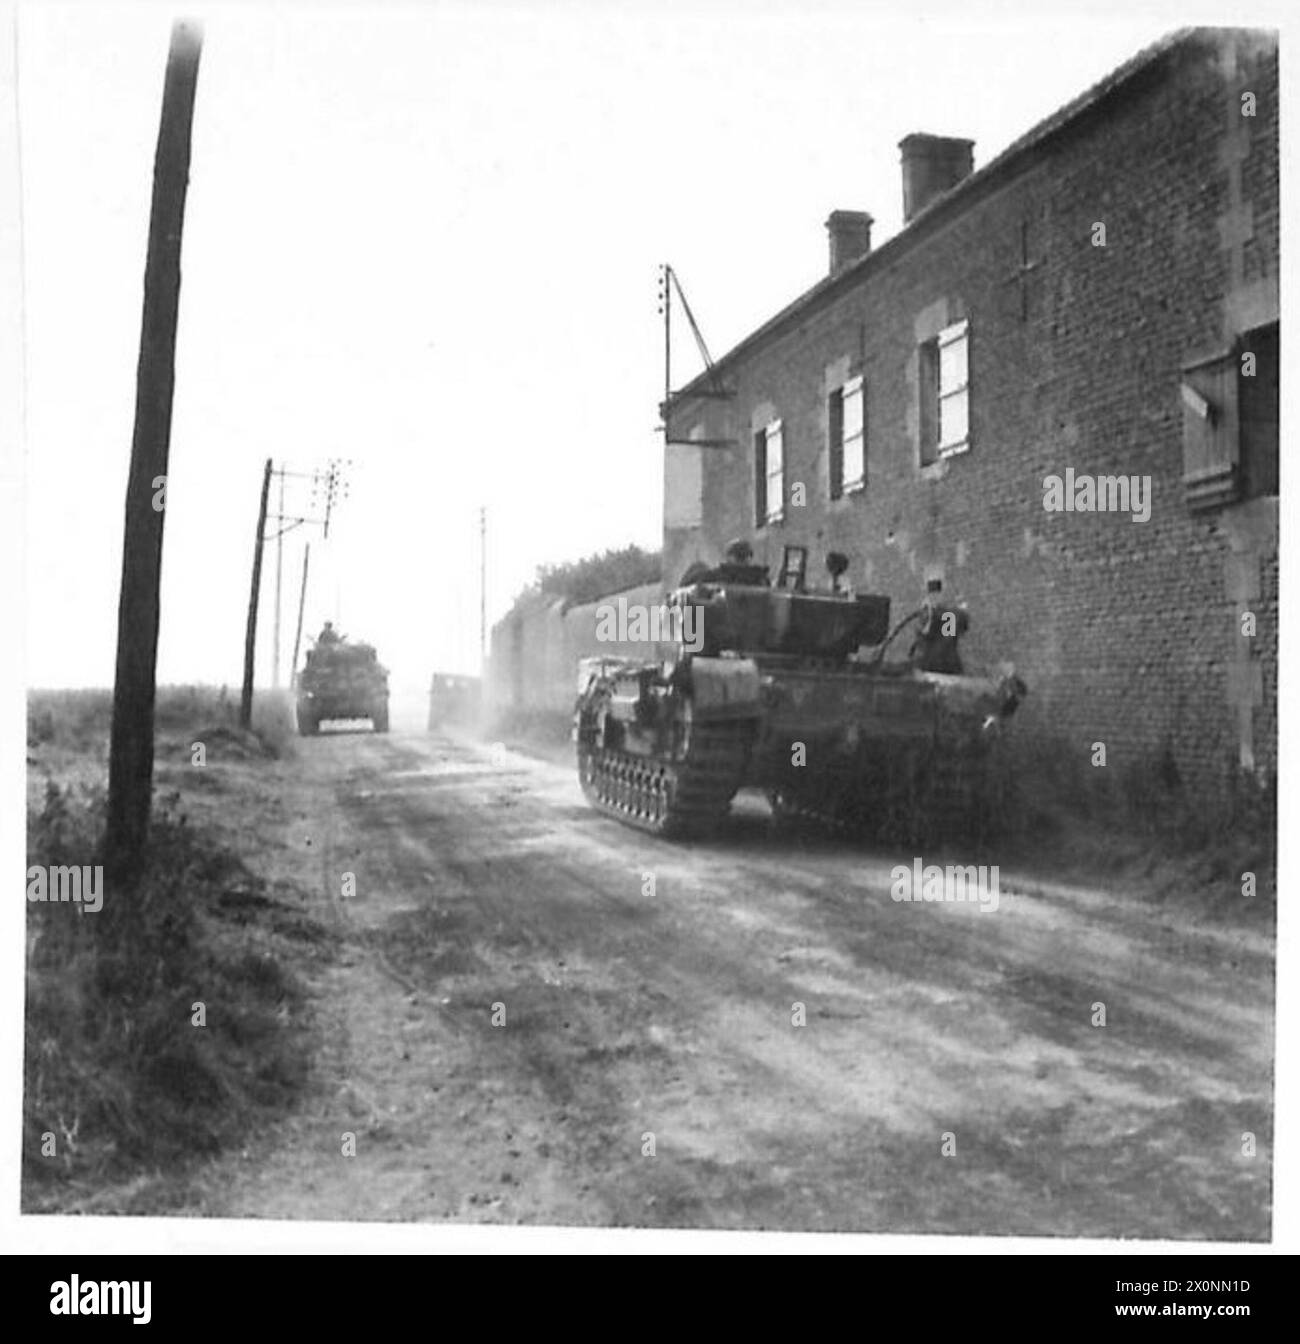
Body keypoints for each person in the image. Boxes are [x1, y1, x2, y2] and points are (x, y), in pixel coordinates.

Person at [909, 579, 968, 674]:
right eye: (932, 595)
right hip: (932, 668)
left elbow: (946, 641)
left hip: (939, 668)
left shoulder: (948, 615)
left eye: (936, 595)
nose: (934, 598)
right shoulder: (928, 613)